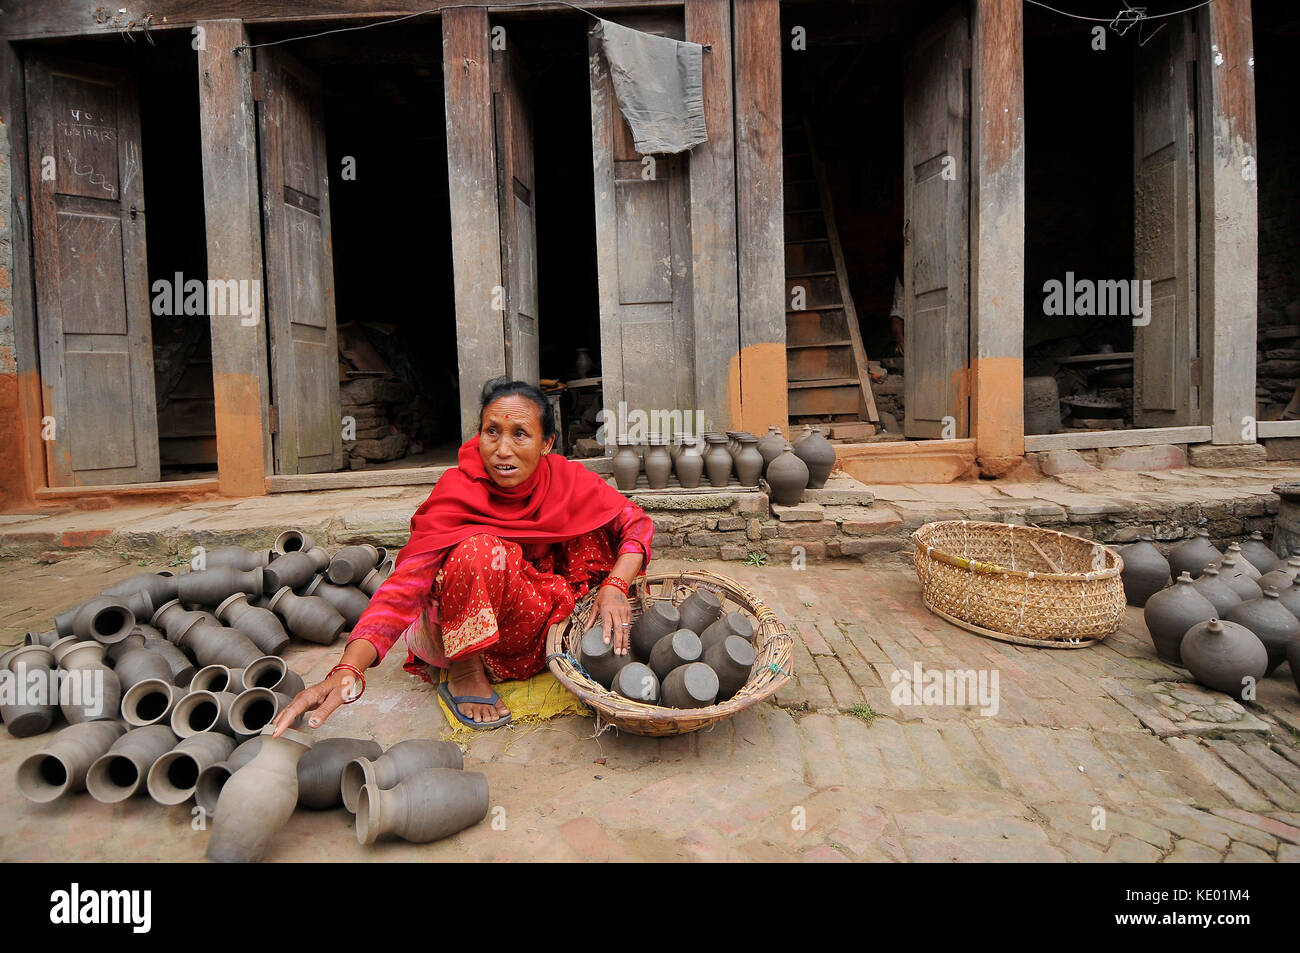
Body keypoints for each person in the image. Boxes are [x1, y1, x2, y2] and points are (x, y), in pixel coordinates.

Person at [273, 378, 654, 732]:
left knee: (594, 536)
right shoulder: (459, 490)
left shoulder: (568, 480)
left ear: (547, 443)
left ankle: (554, 648)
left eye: (520, 434)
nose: (502, 450)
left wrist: (615, 586)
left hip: (542, 615)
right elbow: (403, 588)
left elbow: (636, 524)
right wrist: (349, 668)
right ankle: (465, 668)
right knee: (480, 551)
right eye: (492, 432)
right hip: (470, 623)